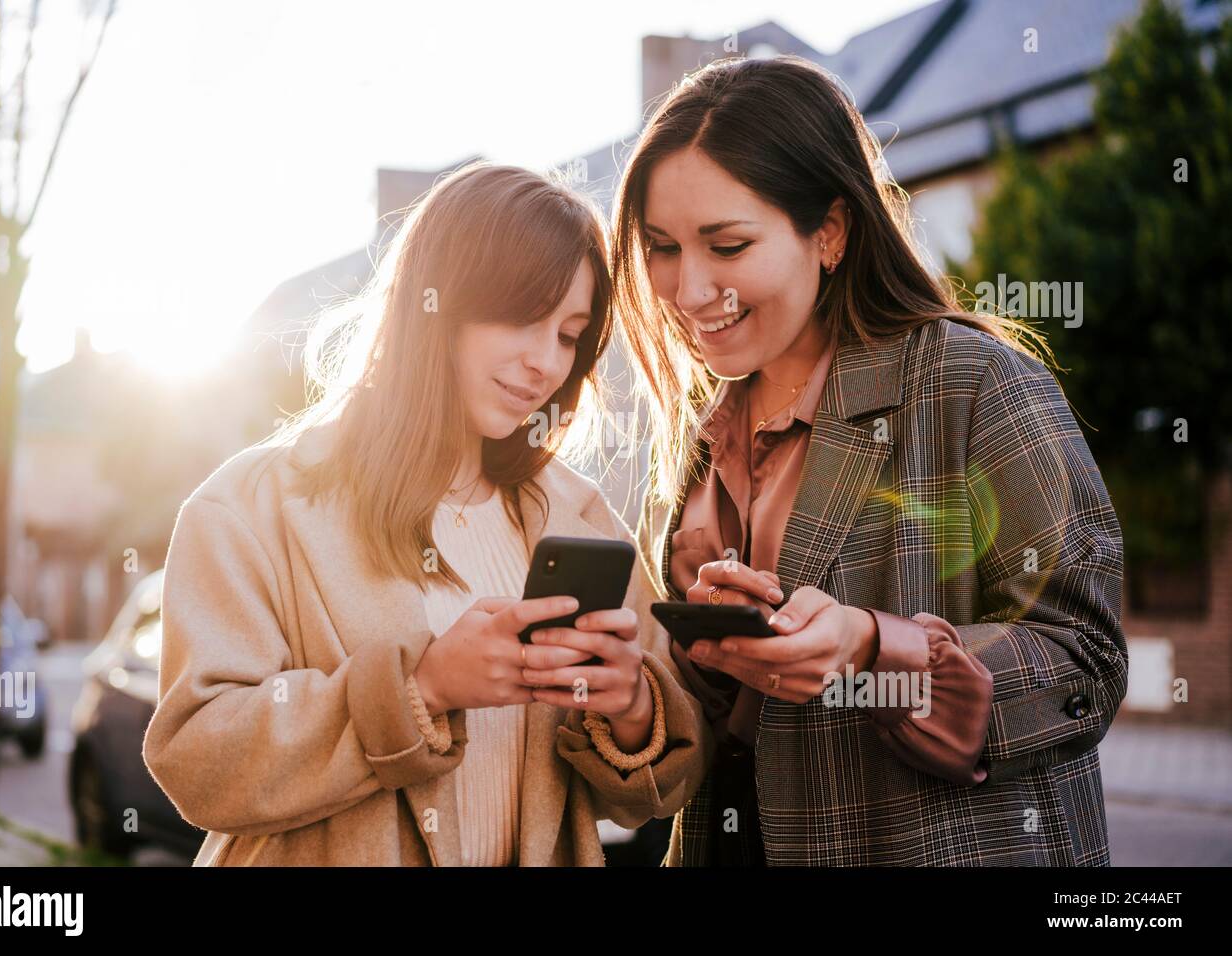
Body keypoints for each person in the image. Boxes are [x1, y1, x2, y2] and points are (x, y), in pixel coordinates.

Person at [610, 56, 1128, 865]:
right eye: (662, 247)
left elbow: (1085, 669)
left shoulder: (972, 382)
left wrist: (871, 649)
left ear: (830, 232)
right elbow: (717, 723)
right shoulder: (697, 434)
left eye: (729, 244)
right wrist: (688, 667)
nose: (687, 288)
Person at [143, 163, 711, 866]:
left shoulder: (580, 518)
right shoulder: (250, 507)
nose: (546, 363)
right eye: (524, 317)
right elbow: (200, 761)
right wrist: (423, 686)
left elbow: (660, 791)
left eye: (569, 334)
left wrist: (630, 711)